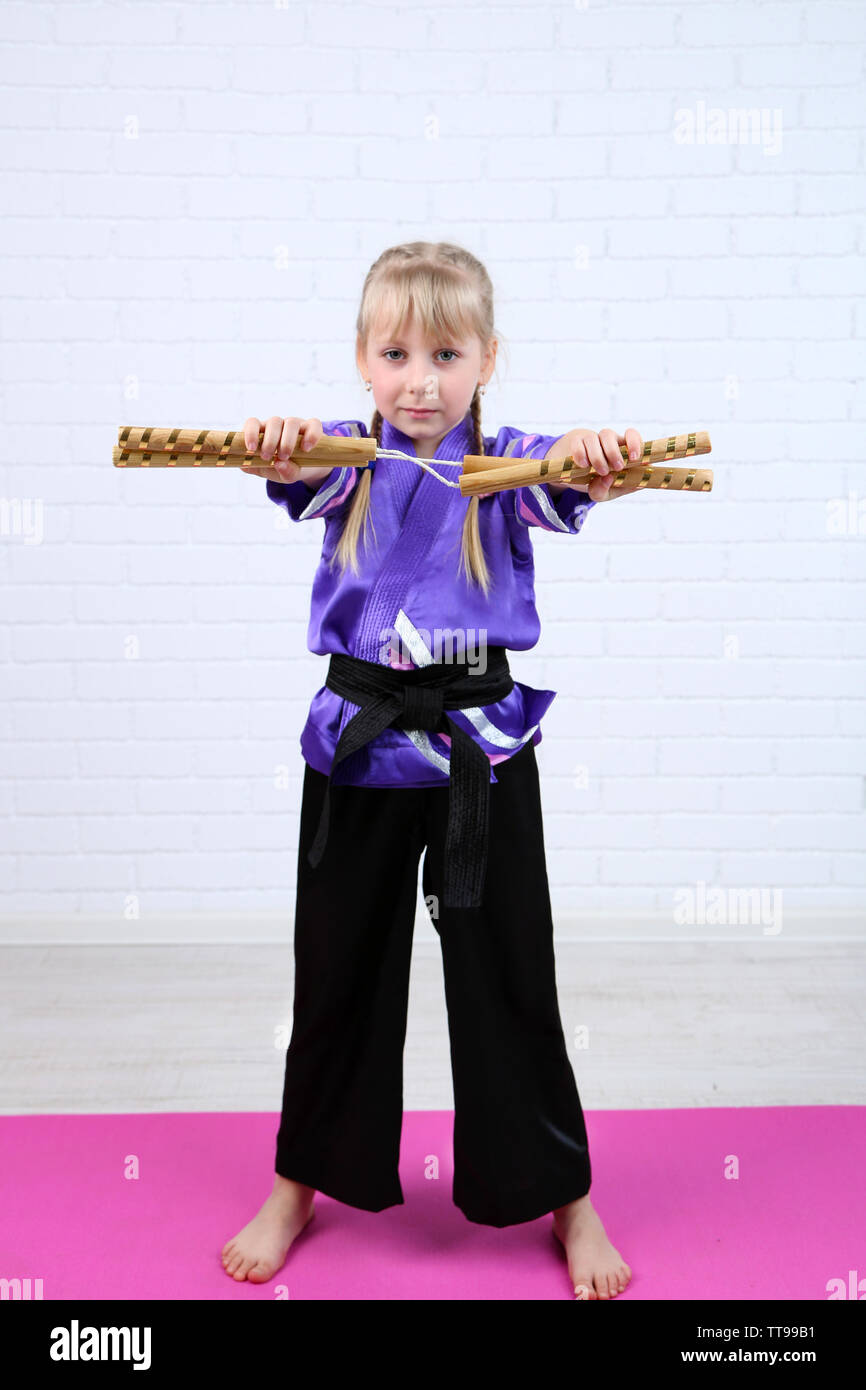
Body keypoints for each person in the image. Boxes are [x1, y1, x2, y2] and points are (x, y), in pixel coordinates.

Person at [221, 241, 643, 1299]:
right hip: (361, 743)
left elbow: (582, 474)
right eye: (395, 352)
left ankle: (566, 1199)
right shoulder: (340, 460)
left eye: (445, 354)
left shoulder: (513, 464)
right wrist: (272, 447)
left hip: (477, 749)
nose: (420, 380)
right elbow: (284, 466)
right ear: (361, 360)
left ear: (487, 358)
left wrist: (598, 453)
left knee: (509, 977)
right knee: (336, 970)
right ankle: (298, 1179)